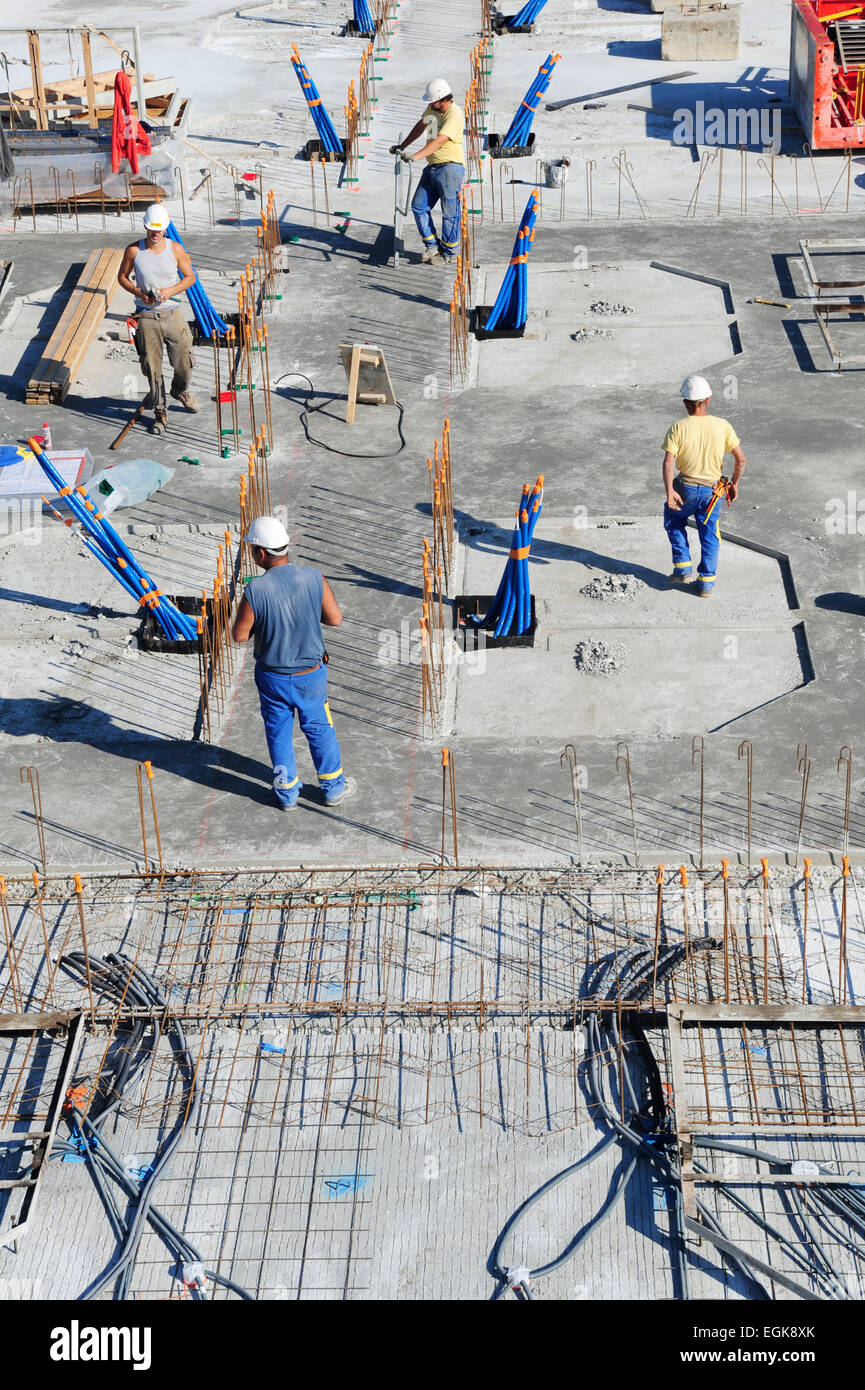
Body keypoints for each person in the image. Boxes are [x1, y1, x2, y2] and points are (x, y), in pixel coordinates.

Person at [230, 515, 355, 810]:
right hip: (311, 676)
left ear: (261, 553)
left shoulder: (255, 590)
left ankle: (287, 794)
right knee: (320, 729)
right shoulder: (314, 577)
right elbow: (335, 618)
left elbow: (239, 635)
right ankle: (333, 788)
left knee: (279, 733)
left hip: (273, 678)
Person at [117, 204, 199, 435]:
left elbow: (190, 277)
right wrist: (139, 293)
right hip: (146, 316)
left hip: (172, 313)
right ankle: (160, 409)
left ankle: (179, 390)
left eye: (159, 230)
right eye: (151, 230)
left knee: (184, 358)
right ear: (145, 226)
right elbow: (122, 277)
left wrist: (171, 291)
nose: (155, 234)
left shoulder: (176, 249)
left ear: (165, 228)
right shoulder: (134, 251)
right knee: (152, 366)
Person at [662, 375, 747, 597]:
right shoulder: (722, 426)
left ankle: (682, 568)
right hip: (713, 491)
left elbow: (669, 461)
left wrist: (670, 491)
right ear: (708, 400)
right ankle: (706, 585)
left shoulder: (678, 427)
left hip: (686, 488)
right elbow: (741, 460)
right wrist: (734, 484)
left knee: (674, 521)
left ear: (685, 402)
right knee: (710, 534)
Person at [390, 78, 465, 266]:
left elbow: (440, 140)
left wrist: (416, 156)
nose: (430, 105)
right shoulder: (433, 109)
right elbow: (421, 126)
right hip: (432, 167)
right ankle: (432, 245)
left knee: (450, 213)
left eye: (433, 101)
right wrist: (402, 146)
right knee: (418, 206)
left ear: (444, 99)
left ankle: (448, 253)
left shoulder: (454, 115)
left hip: (450, 168)